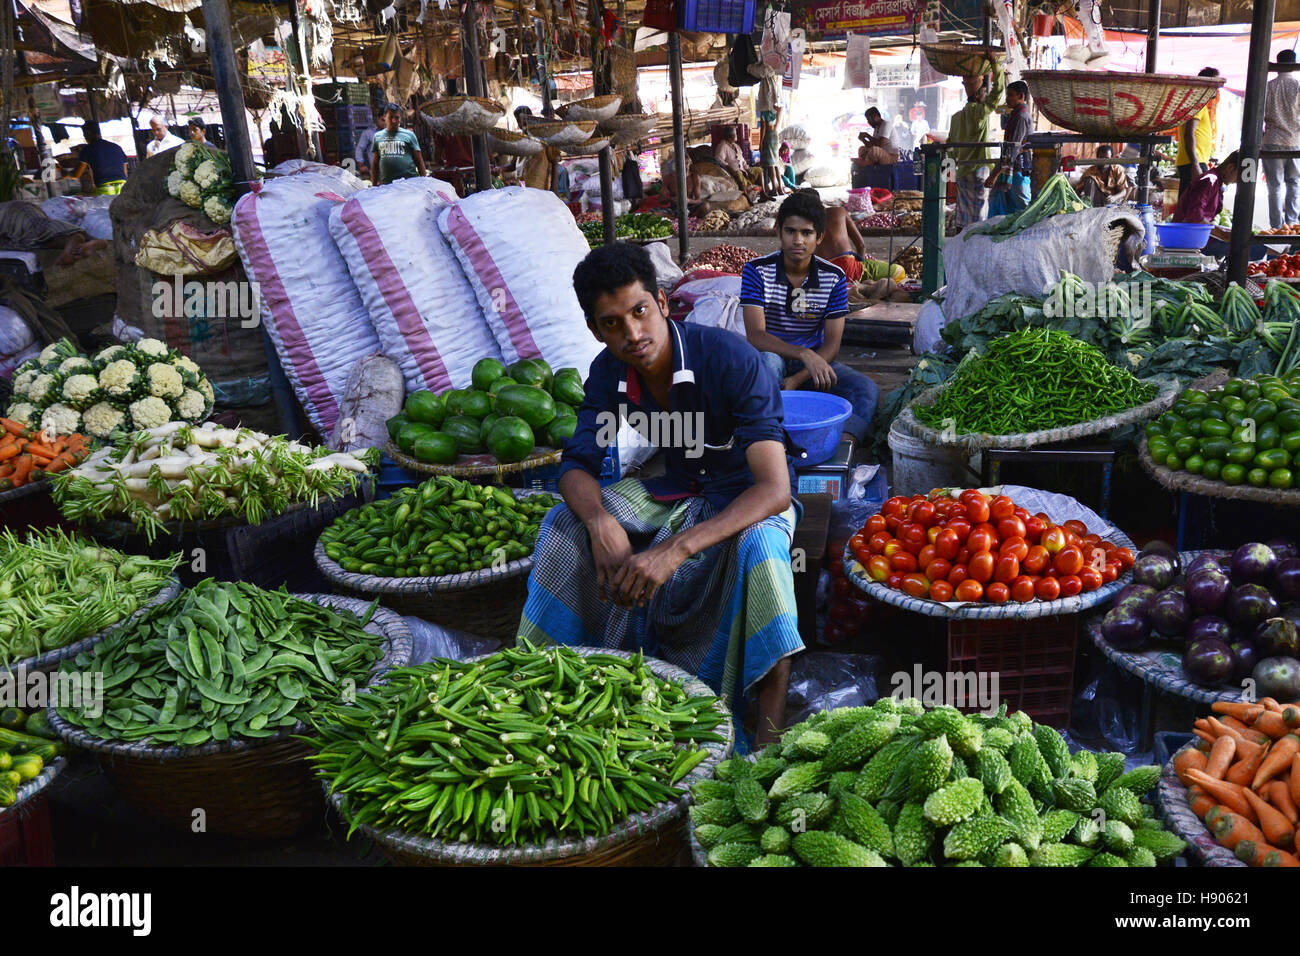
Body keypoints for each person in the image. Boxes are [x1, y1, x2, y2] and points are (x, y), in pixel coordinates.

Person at [518, 241, 804, 748]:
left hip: (744, 496)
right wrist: (599, 523)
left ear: (662, 304)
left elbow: (775, 490)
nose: (632, 334)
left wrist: (675, 550)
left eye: (640, 311)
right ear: (594, 329)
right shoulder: (610, 374)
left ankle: (767, 738)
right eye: (611, 323)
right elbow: (576, 466)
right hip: (677, 489)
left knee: (764, 552)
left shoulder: (732, 360)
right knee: (563, 525)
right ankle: (551, 687)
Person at [741, 191, 879, 443]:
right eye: (790, 231)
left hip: (813, 364)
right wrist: (803, 353)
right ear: (778, 233)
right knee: (768, 366)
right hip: (774, 356)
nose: (798, 240)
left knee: (865, 389)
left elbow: (832, 346)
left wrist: (799, 377)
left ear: (820, 238)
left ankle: (841, 447)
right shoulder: (756, 271)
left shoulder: (834, 277)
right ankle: (766, 442)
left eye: (807, 233)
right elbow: (756, 336)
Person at [948, 63, 1005, 230]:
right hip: (978, 170)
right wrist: (995, 65)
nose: (987, 96)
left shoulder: (956, 118)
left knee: (963, 215)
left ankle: (960, 247)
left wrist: (951, 174)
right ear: (979, 96)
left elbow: (950, 148)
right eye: (984, 93)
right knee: (978, 218)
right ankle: (974, 250)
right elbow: (998, 92)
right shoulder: (979, 113)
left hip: (962, 172)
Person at [812, 200, 900, 288]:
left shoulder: (802, 222)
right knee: (899, 271)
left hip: (819, 274)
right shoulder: (838, 211)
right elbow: (861, 245)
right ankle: (860, 287)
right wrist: (860, 264)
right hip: (847, 268)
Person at [0, 201, 106, 266]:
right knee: (38, 240)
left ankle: (73, 237)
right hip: (17, 215)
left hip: (14, 213)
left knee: (39, 232)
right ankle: (95, 242)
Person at [986, 80, 1034, 217]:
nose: (1007, 99)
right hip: (1012, 167)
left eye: (1010, 95)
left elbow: (1013, 149)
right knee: (1005, 206)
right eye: (1007, 95)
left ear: (1021, 96)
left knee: (1022, 209)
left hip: (1017, 169)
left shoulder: (1020, 116)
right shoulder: (1016, 114)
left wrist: (994, 175)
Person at [1264, 49, 1300, 228]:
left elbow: (1259, 114)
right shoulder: (1298, 86)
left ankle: (1277, 227)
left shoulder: (1268, 86)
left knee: (1275, 186)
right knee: (1294, 183)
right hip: (1294, 141)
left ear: (1277, 64)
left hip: (1271, 140)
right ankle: (1292, 223)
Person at [1177, 67, 1220, 194]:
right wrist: (1195, 164)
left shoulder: (1199, 104)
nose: (1217, 90)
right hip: (1193, 162)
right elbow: (1189, 134)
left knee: (1190, 203)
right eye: (1215, 84)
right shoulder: (1197, 105)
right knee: (1192, 205)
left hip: (1194, 160)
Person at [370, 103, 426, 185]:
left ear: (400, 118)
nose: (394, 120)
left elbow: (419, 160)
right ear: (385, 117)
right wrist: (374, 185)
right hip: (387, 185)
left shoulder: (409, 135)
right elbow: (375, 163)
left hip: (409, 183)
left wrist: (424, 182)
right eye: (391, 117)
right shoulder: (377, 136)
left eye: (397, 117)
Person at [75, 122, 128, 196]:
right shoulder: (116, 147)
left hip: (105, 188)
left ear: (88, 133)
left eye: (84, 135)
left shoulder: (88, 149)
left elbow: (76, 175)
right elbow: (124, 171)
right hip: (123, 187)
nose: (85, 138)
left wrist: (61, 171)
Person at [662, 152, 712, 217]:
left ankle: (687, 220)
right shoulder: (668, 178)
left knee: (706, 206)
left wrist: (688, 201)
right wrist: (672, 199)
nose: (686, 167)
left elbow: (698, 200)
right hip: (675, 209)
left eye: (687, 163)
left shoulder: (694, 177)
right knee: (654, 214)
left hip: (691, 208)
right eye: (682, 164)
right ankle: (680, 220)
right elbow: (661, 200)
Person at [758, 108, 784, 198]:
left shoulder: (764, 112)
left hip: (768, 136)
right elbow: (778, 124)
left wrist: (760, 142)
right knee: (775, 163)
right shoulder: (776, 112)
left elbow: (763, 128)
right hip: (775, 135)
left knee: (770, 164)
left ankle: (774, 189)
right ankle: (780, 187)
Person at [354, 110, 379, 180]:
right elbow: (360, 148)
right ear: (378, 119)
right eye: (383, 120)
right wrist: (361, 164)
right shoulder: (369, 133)